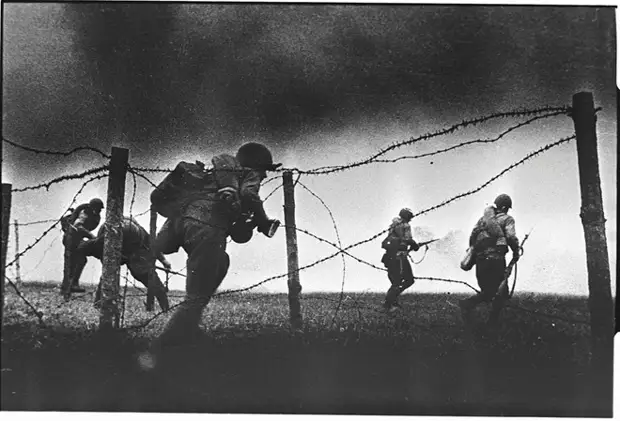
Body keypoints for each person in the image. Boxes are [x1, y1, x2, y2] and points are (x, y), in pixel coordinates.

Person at [141, 142, 281, 366]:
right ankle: (158, 349)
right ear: (255, 164)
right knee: (196, 295)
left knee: (221, 263)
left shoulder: (212, 174)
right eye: (265, 168)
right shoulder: (247, 174)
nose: (265, 174)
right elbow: (250, 195)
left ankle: (190, 329)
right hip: (205, 228)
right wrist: (263, 222)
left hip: (180, 224)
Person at [77, 215, 171, 312]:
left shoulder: (113, 230)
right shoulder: (136, 232)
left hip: (127, 250)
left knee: (108, 275)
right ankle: (165, 308)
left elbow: (152, 245)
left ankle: (98, 304)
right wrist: (163, 261)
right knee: (110, 275)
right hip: (123, 249)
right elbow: (152, 245)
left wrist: (163, 260)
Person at [459, 193, 520, 325]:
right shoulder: (507, 219)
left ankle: (484, 318)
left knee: (488, 292)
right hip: (496, 260)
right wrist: (516, 250)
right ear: (505, 207)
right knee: (499, 292)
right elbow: (510, 237)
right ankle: (488, 319)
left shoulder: (482, 220)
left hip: (480, 260)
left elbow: (472, 237)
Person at [60, 198, 104, 298]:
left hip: (76, 239)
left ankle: (68, 286)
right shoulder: (85, 212)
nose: (99, 211)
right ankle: (69, 286)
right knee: (75, 261)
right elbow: (78, 226)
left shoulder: (93, 215)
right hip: (71, 239)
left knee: (77, 261)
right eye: (98, 208)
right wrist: (92, 236)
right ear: (94, 207)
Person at [381, 208, 421, 312]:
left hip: (390, 256)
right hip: (400, 257)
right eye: (410, 217)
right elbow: (408, 239)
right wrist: (415, 246)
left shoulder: (393, 224)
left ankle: (391, 301)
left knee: (395, 281)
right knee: (408, 280)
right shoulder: (405, 225)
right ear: (407, 217)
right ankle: (389, 302)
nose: (411, 219)